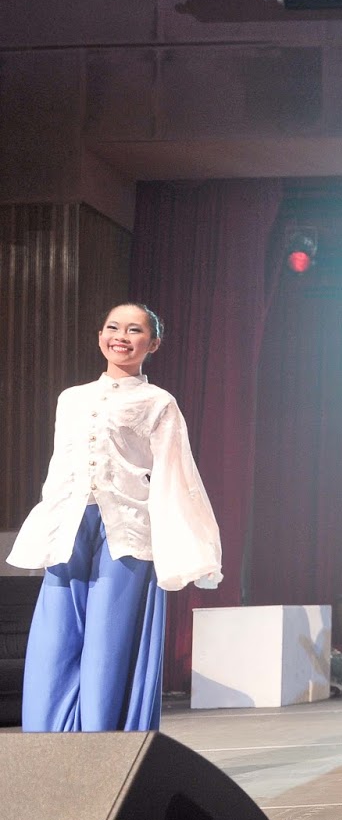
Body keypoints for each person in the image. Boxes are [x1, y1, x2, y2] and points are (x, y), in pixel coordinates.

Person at [8, 303, 222, 732]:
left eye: (134, 330)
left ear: (153, 343)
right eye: (112, 327)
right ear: (101, 334)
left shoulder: (158, 402)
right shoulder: (71, 398)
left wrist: (189, 547)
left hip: (126, 529)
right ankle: (48, 741)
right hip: (70, 524)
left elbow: (177, 474)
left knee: (108, 642)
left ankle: (102, 741)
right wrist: (46, 529)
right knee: (54, 641)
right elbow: (60, 467)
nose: (121, 336)